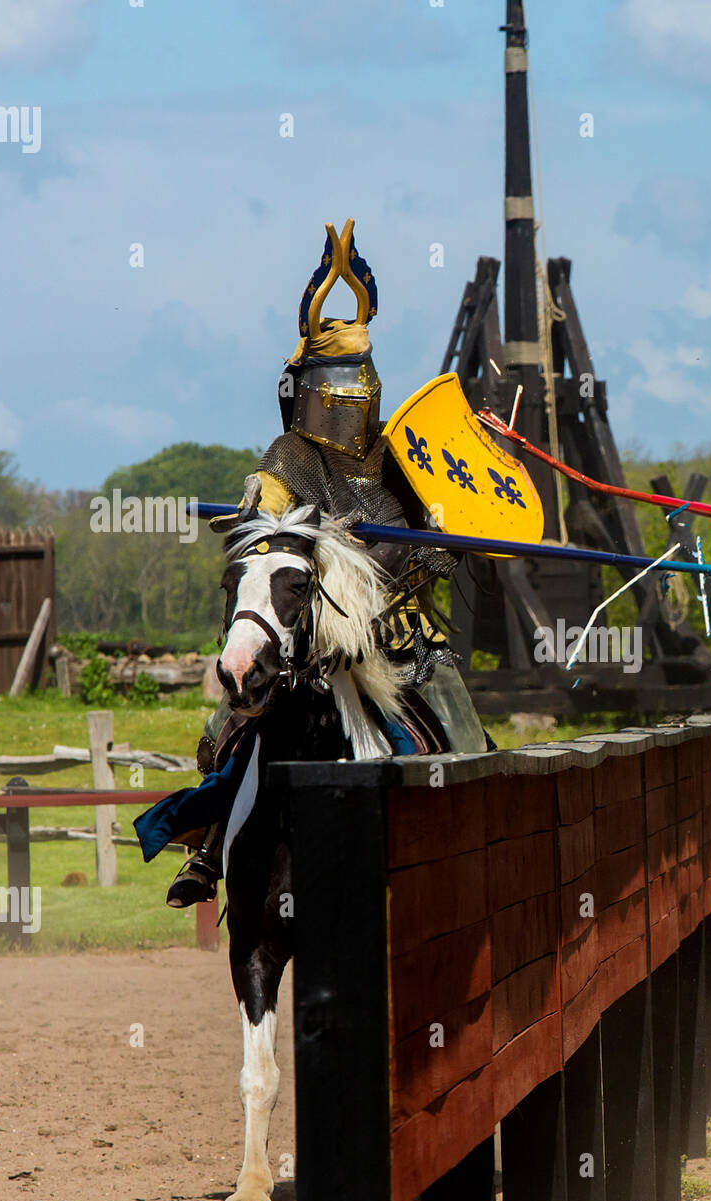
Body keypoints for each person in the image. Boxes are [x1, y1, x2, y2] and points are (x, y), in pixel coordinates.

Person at [165, 220, 487, 907]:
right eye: (334, 380)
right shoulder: (288, 460)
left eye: (355, 379)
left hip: (400, 640)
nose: (346, 393)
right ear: (305, 386)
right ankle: (211, 845)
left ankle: (477, 851)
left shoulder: (402, 457)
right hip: (312, 643)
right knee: (229, 723)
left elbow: (446, 522)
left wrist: (442, 540)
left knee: (466, 740)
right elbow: (263, 531)